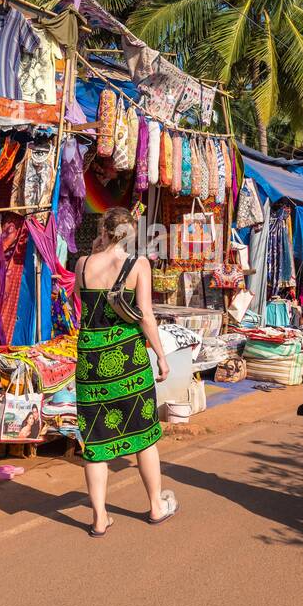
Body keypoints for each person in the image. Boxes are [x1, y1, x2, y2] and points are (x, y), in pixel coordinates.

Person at [74, 207, 175, 537]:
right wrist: (161, 356)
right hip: (129, 360)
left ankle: (100, 518)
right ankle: (156, 506)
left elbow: (83, 304)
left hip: (91, 361)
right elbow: (145, 315)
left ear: (103, 230)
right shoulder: (139, 265)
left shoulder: (82, 265)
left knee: (95, 439)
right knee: (143, 434)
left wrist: (94, 253)